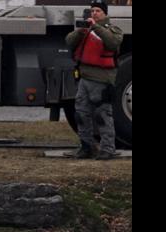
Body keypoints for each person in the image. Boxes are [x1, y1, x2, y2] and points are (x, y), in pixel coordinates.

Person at [64, 1, 122, 159]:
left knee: (102, 115)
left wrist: (96, 27)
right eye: (92, 11)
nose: (94, 13)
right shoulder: (86, 30)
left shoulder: (112, 29)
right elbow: (69, 41)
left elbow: (112, 43)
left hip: (102, 79)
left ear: (105, 13)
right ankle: (87, 146)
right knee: (81, 114)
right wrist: (81, 31)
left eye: (97, 11)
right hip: (85, 78)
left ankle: (108, 148)